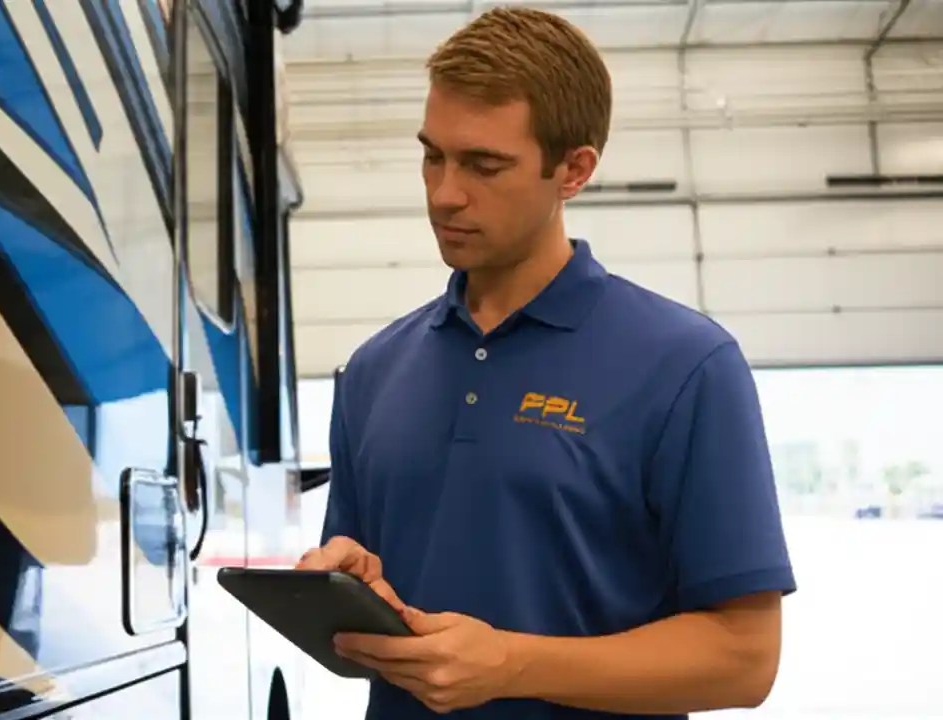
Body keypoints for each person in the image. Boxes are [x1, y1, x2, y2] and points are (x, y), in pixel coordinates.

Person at [295, 6, 797, 719]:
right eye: (433, 155)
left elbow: (744, 660)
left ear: (574, 170)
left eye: (484, 164)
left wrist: (513, 665)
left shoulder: (685, 365)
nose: (444, 193)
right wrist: (359, 590)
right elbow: (367, 635)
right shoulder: (375, 370)